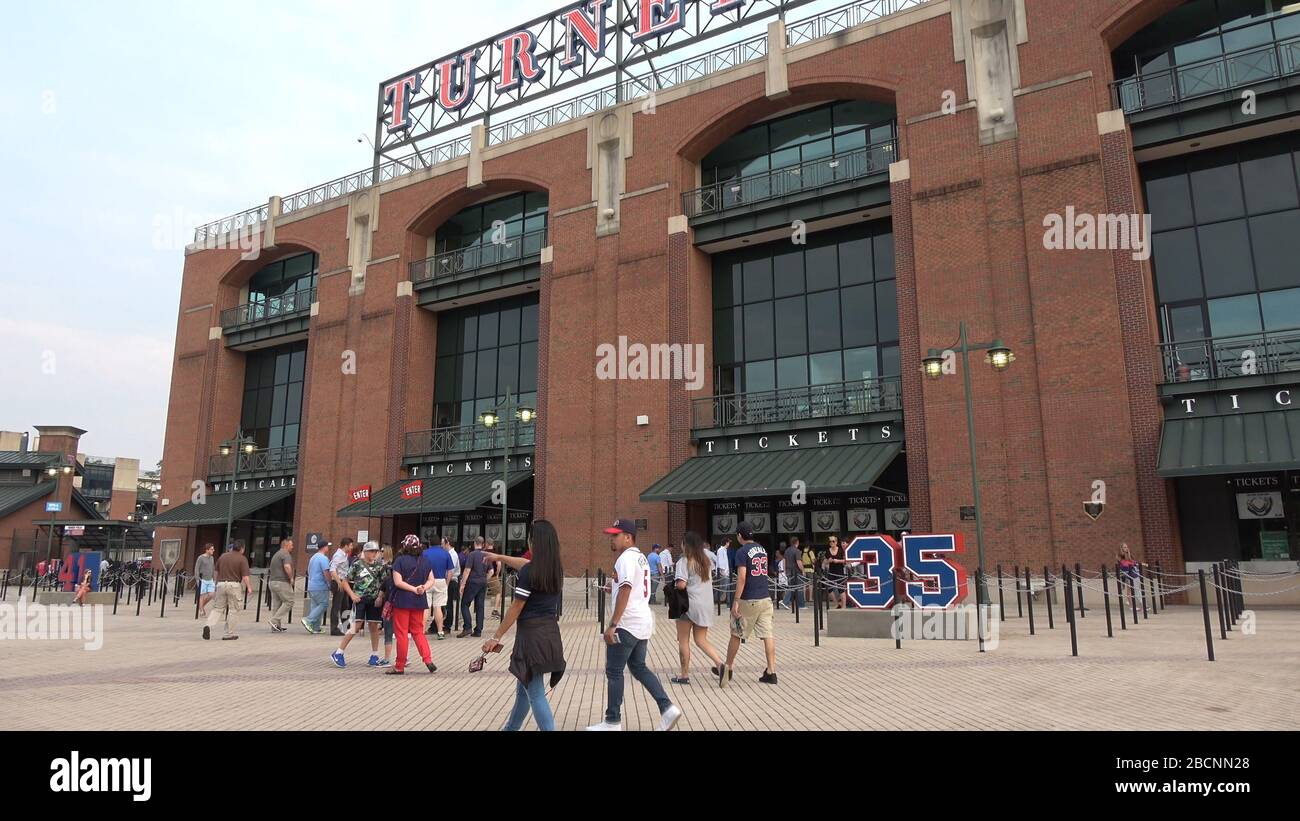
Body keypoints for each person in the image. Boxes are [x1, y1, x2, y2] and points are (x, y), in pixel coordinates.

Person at [587, 518, 682, 732]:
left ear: (627, 537)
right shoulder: (641, 558)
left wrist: (613, 624)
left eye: (615, 535)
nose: (611, 539)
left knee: (614, 671)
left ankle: (612, 721)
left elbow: (627, 589)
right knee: (638, 667)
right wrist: (613, 588)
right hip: (642, 621)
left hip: (627, 623)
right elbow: (631, 587)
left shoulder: (625, 558)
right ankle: (667, 707)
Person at [481, 520, 566, 731]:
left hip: (530, 637)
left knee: (535, 694)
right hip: (549, 634)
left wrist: (496, 636)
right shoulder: (555, 570)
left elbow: (516, 607)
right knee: (524, 690)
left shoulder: (530, 573)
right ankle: (510, 728)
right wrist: (500, 557)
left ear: (533, 542)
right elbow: (523, 563)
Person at [722, 522, 777, 685]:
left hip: (749, 598)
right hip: (765, 598)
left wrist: (736, 602)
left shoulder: (741, 551)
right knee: (767, 634)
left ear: (739, 536)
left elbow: (742, 577)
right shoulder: (762, 549)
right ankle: (771, 671)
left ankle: (728, 668)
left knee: (736, 633)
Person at [670, 531, 725, 686]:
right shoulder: (705, 561)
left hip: (688, 605)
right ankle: (720, 664)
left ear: (685, 545)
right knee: (701, 639)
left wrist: (673, 585)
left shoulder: (684, 561)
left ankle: (684, 675)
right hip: (705, 605)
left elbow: (681, 584)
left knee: (683, 640)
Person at [331, 541, 389, 668]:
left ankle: (374, 655)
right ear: (366, 552)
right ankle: (339, 652)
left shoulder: (380, 566)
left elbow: (384, 583)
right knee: (356, 625)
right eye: (372, 551)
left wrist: (380, 596)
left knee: (374, 626)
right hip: (360, 599)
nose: (374, 554)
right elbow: (345, 581)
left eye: (376, 551)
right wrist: (352, 594)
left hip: (374, 600)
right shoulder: (357, 565)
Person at [387, 535, 436, 675]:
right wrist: (422, 588)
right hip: (419, 601)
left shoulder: (399, 561)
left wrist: (413, 588)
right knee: (418, 631)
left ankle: (399, 665)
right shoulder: (425, 561)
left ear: (405, 546)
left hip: (402, 600)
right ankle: (427, 659)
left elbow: (397, 582)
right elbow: (431, 579)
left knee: (402, 634)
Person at [203, 541, 252, 641]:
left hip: (221, 584)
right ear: (242, 549)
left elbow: (216, 571)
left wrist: (216, 583)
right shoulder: (242, 559)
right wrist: (249, 587)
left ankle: (208, 625)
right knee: (234, 609)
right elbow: (245, 576)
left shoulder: (223, 556)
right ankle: (228, 633)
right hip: (234, 585)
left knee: (217, 608)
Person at [421, 538, 455, 639]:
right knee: (438, 607)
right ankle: (440, 631)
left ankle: (421, 631)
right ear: (440, 544)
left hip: (427, 581)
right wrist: (447, 582)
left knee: (426, 607)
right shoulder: (445, 553)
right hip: (441, 581)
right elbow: (450, 571)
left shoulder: (424, 553)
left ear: (430, 543)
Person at [457, 536, 491, 638]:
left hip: (472, 582)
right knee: (480, 606)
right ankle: (478, 630)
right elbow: (491, 571)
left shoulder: (472, 555)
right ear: (483, 543)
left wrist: (462, 584)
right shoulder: (486, 555)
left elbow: (467, 570)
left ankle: (467, 627)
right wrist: (485, 579)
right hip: (482, 582)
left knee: (464, 604)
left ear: (474, 543)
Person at [302, 542, 333, 634]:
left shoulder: (313, 557)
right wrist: (330, 583)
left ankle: (316, 627)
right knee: (324, 604)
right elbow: (326, 572)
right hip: (320, 585)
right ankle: (309, 620)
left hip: (311, 585)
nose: (328, 548)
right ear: (324, 547)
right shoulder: (323, 558)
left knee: (315, 606)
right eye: (328, 546)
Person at [266, 538, 295, 633]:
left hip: (272, 582)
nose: (292, 547)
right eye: (291, 545)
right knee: (289, 601)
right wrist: (291, 578)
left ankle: (275, 626)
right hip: (281, 582)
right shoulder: (286, 554)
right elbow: (287, 566)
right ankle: (274, 621)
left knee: (277, 604)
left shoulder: (276, 554)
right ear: (286, 545)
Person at [328, 539, 354, 636]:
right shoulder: (338, 555)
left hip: (343, 582)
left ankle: (346, 626)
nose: (352, 547)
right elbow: (332, 569)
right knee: (337, 606)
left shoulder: (344, 555)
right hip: (339, 582)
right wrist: (339, 581)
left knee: (345, 605)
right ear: (346, 546)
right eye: (350, 545)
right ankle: (334, 629)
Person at [823, 535, 848, 610]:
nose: (831, 543)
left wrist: (838, 561)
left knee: (841, 589)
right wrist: (828, 561)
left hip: (839, 571)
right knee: (829, 588)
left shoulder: (840, 550)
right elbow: (825, 562)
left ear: (836, 542)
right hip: (831, 571)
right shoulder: (827, 551)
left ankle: (844, 605)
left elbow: (846, 561)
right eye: (830, 541)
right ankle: (836, 603)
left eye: (833, 541)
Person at [783, 536, 806, 611]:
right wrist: (803, 570)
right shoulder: (797, 551)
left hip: (788, 571)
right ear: (797, 542)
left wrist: (785, 570)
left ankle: (786, 602)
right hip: (796, 572)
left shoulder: (786, 551)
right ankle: (800, 604)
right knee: (799, 588)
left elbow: (784, 561)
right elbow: (798, 562)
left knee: (791, 587)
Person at [195, 544, 216, 617]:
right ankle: (201, 610)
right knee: (202, 595)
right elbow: (197, 568)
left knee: (211, 594)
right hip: (202, 579)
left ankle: (201, 606)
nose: (213, 550)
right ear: (207, 550)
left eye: (213, 549)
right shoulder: (201, 558)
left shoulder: (212, 558)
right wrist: (197, 579)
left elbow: (213, 568)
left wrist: (214, 578)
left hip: (210, 579)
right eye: (211, 549)